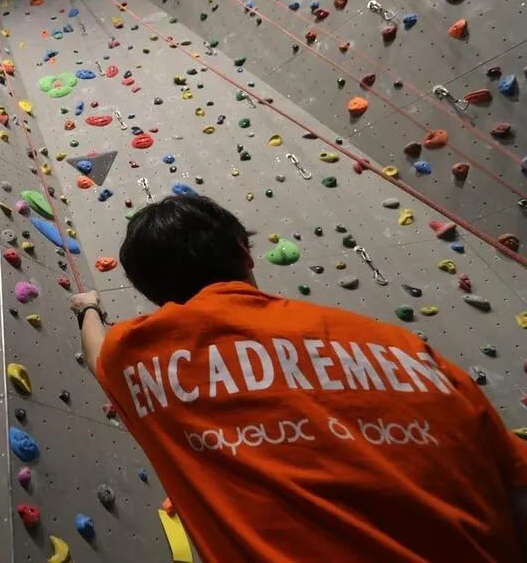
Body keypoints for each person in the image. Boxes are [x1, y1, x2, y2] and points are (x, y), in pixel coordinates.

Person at [69, 193, 527, 562]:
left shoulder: (139, 355)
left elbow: (98, 350)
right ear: (246, 258)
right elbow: (516, 490)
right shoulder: (407, 349)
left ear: (152, 293)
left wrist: (89, 306)